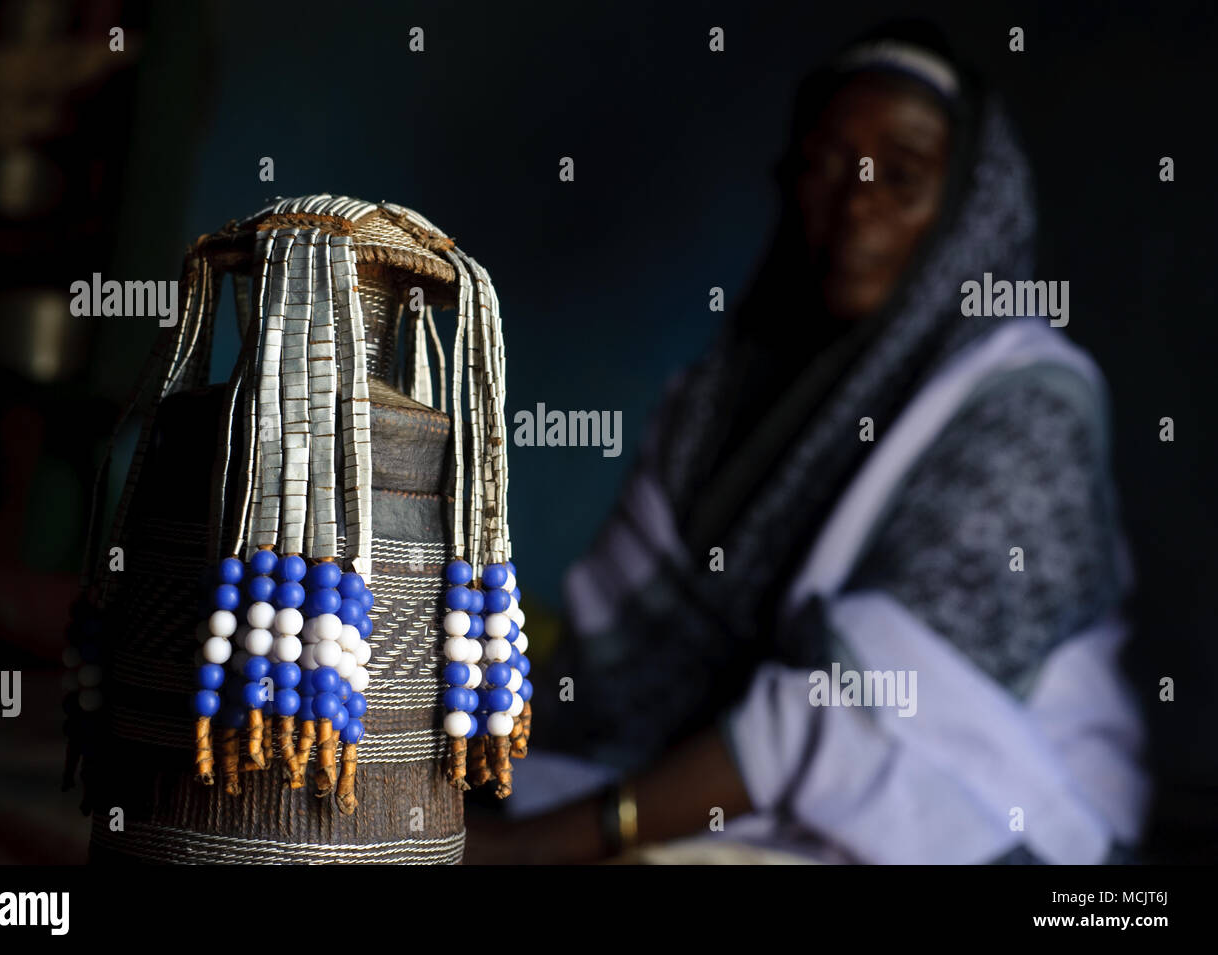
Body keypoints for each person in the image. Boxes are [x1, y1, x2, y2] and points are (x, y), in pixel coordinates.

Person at [464, 21, 1148, 865]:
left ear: (970, 215)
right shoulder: (721, 396)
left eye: (900, 177)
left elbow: (862, 702)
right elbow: (619, 642)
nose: (854, 201)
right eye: (825, 167)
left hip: (978, 800)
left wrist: (532, 847)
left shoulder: (1034, 402)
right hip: (721, 779)